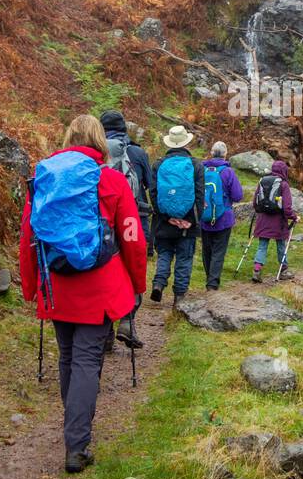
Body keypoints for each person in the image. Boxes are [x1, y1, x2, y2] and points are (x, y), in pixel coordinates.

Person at [19, 115, 147, 474]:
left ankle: (74, 430)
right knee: (87, 361)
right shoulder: (112, 180)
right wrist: (137, 283)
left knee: (68, 357)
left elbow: (28, 236)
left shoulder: (45, 178)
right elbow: (132, 236)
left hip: (57, 286)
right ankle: (76, 446)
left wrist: (31, 286)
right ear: (100, 141)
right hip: (100, 287)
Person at [100, 109, 153, 350]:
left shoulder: (97, 154)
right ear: (124, 128)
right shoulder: (138, 153)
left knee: (106, 271)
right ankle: (128, 321)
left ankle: (105, 332)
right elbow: (149, 185)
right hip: (134, 220)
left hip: (105, 224)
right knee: (133, 267)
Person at [150, 125, 204, 308]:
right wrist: (192, 221)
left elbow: (154, 194)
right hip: (187, 223)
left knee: (164, 254)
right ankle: (179, 297)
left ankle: (158, 284)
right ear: (186, 143)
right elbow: (199, 196)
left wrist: (166, 218)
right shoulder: (196, 165)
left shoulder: (158, 165)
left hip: (164, 221)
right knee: (184, 258)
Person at [200, 141, 244, 290]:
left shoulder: (202, 169)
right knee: (218, 251)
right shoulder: (228, 172)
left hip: (204, 216)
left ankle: (209, 277)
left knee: (207, 250)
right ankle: (212, 283)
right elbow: (237, 196)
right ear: (225, 154)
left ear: (211, 153)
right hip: (223, 218)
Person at [252, 158, 297, 282]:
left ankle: (256, 270)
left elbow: (255, 203)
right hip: (278, 222)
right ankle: (283, 270)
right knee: (281, 245)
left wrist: (261, 212)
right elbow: (287, 208)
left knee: (262, 245)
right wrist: (294, 217)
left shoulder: (262, 181)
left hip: (263, 220)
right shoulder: (284, 184)